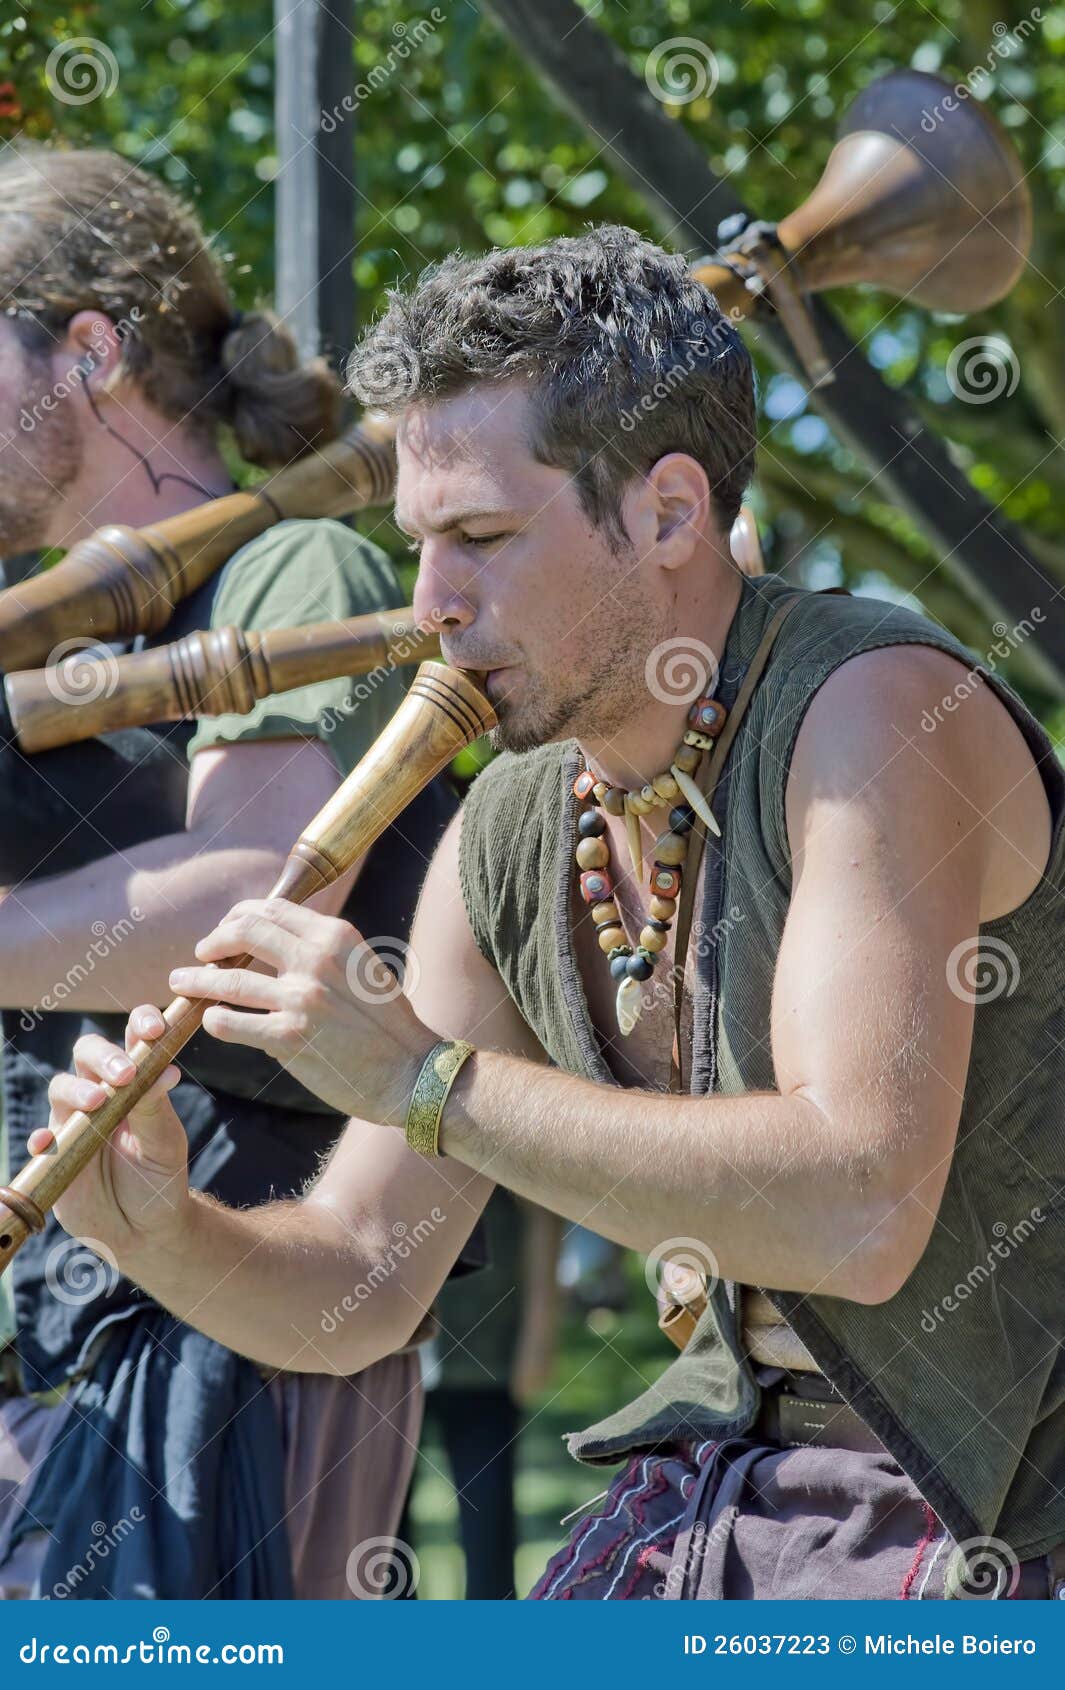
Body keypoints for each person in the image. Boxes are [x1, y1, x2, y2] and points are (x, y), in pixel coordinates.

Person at [38, 226, 1064, 1601]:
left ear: (667, 510)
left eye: (480, 538)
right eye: (417, 545)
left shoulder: (868, 709)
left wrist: (419, 1078)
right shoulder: (514, 820)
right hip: (729, 1494)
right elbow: (356, 1279)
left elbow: (856, 1206)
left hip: (1000, 1520)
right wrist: (156, 1229)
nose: (430, 606)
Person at [0, 144, 458, 1599]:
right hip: (54, 1334)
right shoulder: (31, 631)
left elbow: (264, 881)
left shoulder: (290, 575)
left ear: (87, 350)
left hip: (246, 1325)